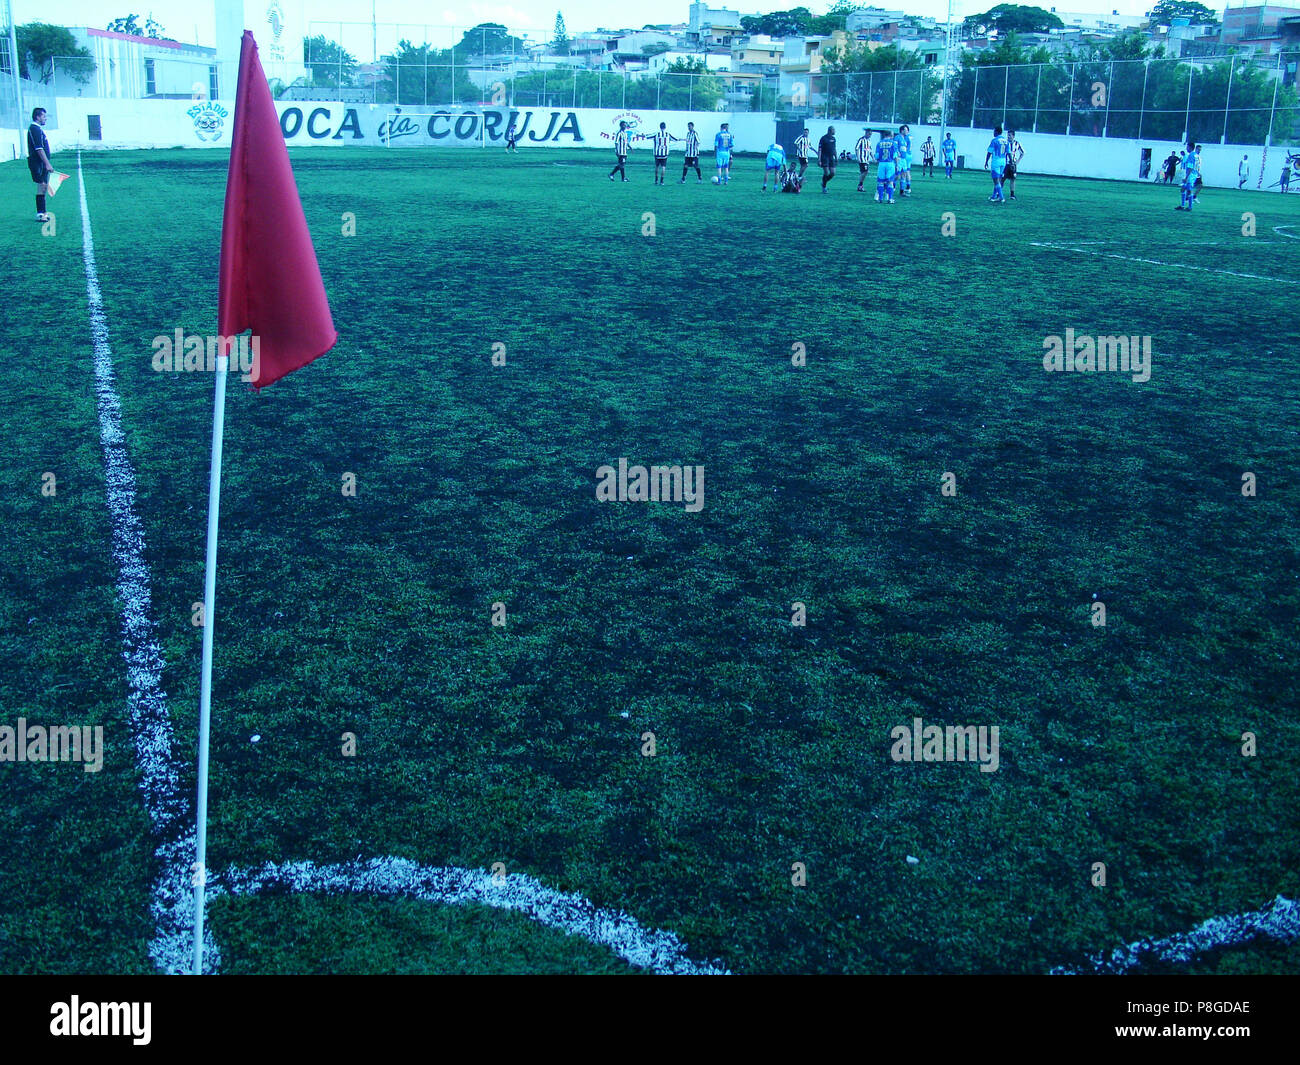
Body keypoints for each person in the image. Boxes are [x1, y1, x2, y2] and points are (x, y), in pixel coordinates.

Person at [28, 107, 52, 222]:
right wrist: (47, 164)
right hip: (38, 163)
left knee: (43, 186)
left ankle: (42, 212)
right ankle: (40, 213)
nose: (45, 119)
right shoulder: (34, 129)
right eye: (43, 116)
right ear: (37, 117)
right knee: (42, 186)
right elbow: (39, 148)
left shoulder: (38, 129)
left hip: (41, 164)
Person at [984, 124, 1009, 204]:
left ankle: (1001, 198)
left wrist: (986, 161)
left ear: (997, 132)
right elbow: (1008, 152)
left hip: (996, 161)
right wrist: (1011, 161)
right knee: (999, 179)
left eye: (994, 131)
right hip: (1003, 161)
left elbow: (989, 152)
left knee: (996, 180)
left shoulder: (994, 140)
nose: (993, 133)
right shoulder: (1006, 141)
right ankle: (994, 196)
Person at [874, 128, 897, 203]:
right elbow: (895, 155)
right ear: (891, 135)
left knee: (880, 182)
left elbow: (876, 156)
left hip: (881, 163)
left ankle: (880, 198)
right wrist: (897, 165)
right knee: (890, 181)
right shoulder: (893, 143)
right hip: (890, 163)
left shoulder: (879, 143)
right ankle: (889, 199)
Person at [651, 121, 678, 186]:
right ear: (665, 127)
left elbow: (648, 136)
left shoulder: (656, 134)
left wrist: (641, 135)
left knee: (657, 166)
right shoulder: (667, 134)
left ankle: (656, 180)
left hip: (657, 153)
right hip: (665, 153)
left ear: (660, 127)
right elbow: (675, 139)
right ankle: (662, 181)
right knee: (663, 167)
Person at [1175, 141, 1199, 210]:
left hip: (1190, 175)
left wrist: (1186, 177)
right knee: (1183, 189)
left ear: (1190, 147)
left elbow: (1190, 167)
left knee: (1189, 190)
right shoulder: (1196, 155)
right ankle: (1183, 206)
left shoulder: (1191, 155)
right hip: (1194, 174)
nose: (1186, 148)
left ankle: (1190, 207)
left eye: (1187, 147)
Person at [1004, 131, 1024, 200]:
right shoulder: (1005, 143)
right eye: (1008, 135)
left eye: (1010, 135)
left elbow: (1023, 153)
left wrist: (1017, 162)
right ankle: (998, 193)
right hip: (1006, 164)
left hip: (1013, 165)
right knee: (1002, 179)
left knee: (1013, 179)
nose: (1008, 137)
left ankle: (1012, 195)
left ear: (1013, 136)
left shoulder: (1017, 143)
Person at [817, 126, 837, 193]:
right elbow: (820, 149)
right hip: (824, 157)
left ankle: (823, 182)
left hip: (831, 157)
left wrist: (836, 157)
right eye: (833, 130)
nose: (834, 131)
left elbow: (834, 149)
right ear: (830, 130)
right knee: (826, 172)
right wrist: (819, 159)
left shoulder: (834, 139)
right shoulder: (823, 138)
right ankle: (824, 187)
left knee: (833, 173)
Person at [895, 124, 912, 196]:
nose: (907, 131)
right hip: (899, 159)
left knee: (904, 174)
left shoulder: (905, 139)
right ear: (902, 131)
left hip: (904, 159)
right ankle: (891, 187)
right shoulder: (897, 137)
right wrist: (897, 152)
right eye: (906, 130)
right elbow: (895, 146)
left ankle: (902, 191)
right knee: (897, 175)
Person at [854, 128, 872, 192]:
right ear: (866, 133)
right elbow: (856, 148)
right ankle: (860, 185)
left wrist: (873, 157)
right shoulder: (861, 140)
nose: (870, 135)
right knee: (865, 171)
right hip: (862, 159)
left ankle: (860, 186)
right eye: (869, 133)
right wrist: (858, 157)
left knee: (863, 172)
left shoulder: (869, 141)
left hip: (866, 160)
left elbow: (870, 150)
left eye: (871, 134)